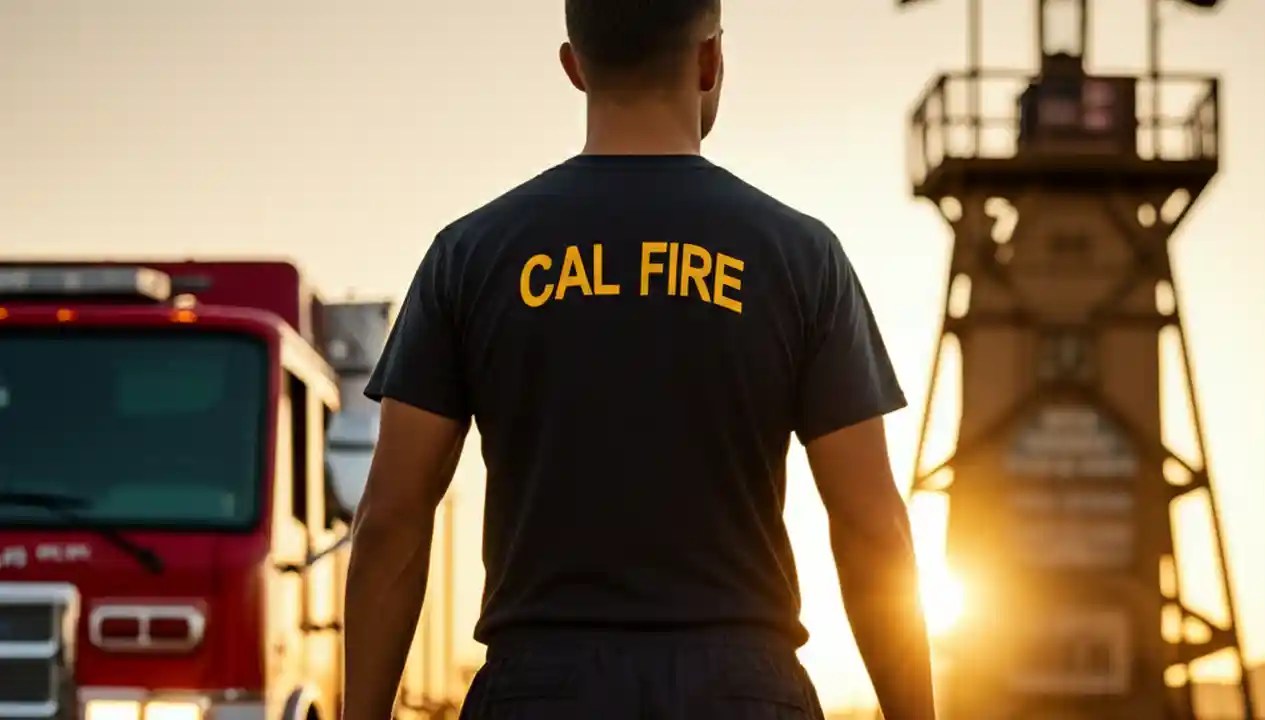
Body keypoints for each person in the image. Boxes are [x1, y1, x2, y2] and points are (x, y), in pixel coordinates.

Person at [342, 1, 937, 718]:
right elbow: (874, 527)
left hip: (541, 686)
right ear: (711, 59)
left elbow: (391, 522)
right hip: (742, 689)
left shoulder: (469, 255)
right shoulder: (801, 257)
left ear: (574, 67)